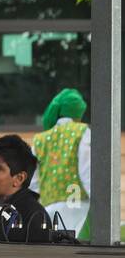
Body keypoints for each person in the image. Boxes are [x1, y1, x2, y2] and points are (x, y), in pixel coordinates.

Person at [29, 88, 90, 238]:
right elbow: (87, 171)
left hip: (48, 208)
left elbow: (33, 182)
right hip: (78, 206)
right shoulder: (83, 132)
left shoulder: (40, 140)